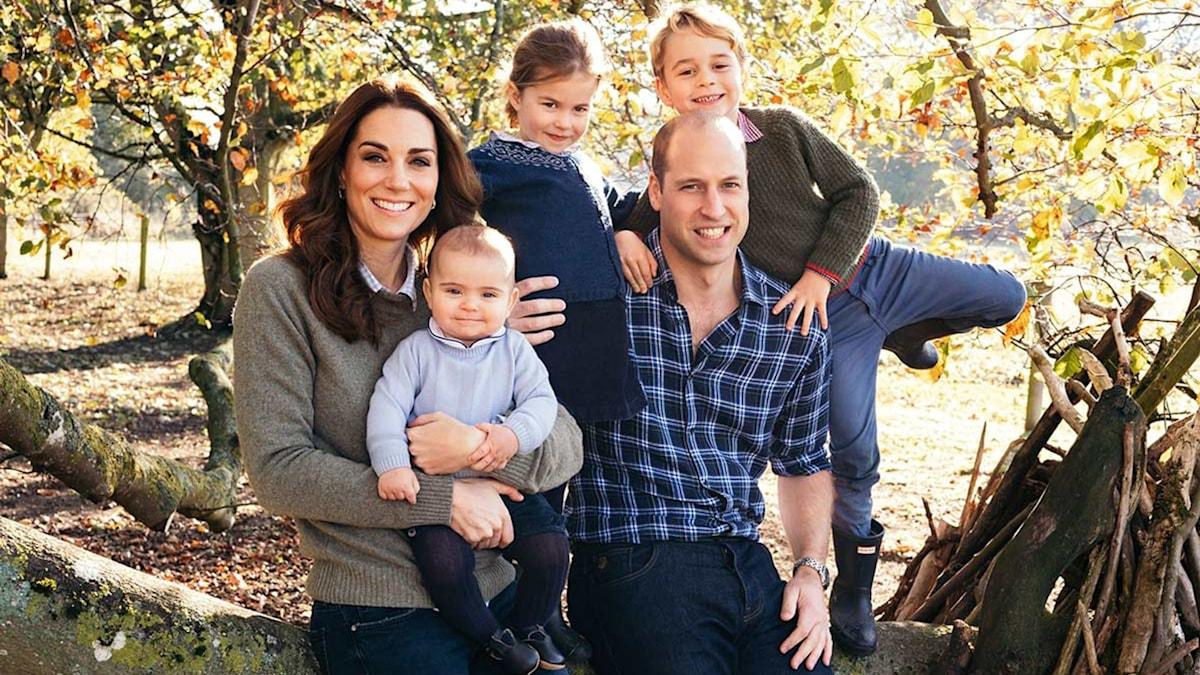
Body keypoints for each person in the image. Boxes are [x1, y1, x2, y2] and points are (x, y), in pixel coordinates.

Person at [613, 4, 1027, 656]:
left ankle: (909, 329)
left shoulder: (782, 129)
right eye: (686, 71)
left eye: (719, 64)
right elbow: (645, 214)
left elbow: (859, 191)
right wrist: (622, 236)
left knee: (1007, 295)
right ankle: (853, 593)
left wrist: (819, 273)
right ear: (663, 88)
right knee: (853, 449)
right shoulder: (681, 162)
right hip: (828, 324)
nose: (707, 80)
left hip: (873, 269)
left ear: (741, 68)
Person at [232, 76, 582, 675]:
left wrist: (477, 448)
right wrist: (444, 500)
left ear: (439, 179)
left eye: (419, 161)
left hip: (497, 593)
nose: (398, 180)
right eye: (375, 157)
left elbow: (566, 440)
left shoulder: (458, 292)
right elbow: (279, 472)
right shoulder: (280, 290)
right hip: (380, 609)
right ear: (341, 171)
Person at [566, 112, 836, 675]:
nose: (714, 208)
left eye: (729, 185)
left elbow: (805, 462)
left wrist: (811, 571)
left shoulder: (791, 326)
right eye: (692, 187)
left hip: (749, 565)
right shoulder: (600, 301)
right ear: (657, 191)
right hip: (633, 555)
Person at [467, 18, 644, 660]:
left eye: (580, 108)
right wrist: (491, 303)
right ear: (515, 96)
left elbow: (615, 205)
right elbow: (448, 234)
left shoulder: (582, 163)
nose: (566, 122)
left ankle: (557, 604)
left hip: (593, 351)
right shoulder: (489, 165)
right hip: (542, 351)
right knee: (534, 484)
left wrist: (625, 230)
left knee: (570, 484)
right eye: (550, 104)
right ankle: (528, 610)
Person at [365, 224, 568, 674]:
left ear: (511, 300)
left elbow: (541, 403)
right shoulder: (416, 352)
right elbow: (386, 407)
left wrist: (510, 436)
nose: (470, 305)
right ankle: (491, 640)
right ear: (429, 292)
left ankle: (529, 625)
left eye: (488, 295)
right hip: (436, 491)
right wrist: (393, 466)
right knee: (444, 565)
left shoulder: (515, 351)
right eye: (454, 291)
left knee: (550, 548)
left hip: (499, 485)